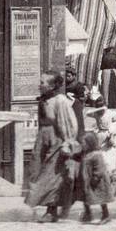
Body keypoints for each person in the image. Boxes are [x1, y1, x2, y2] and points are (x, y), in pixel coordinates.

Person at [26, 71, 79, 222]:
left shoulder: (60, 101)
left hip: (56, 139)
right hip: (43, 139)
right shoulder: (44, 100)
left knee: (52, 174)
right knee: (37, 171)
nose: (39, 85)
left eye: (42, 82)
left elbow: (68, 123)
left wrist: (68, 141)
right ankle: (48, 208)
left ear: (52, 85)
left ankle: (52, 210)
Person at [77, 131, 114, 224]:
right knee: (86, 197)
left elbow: (100, 168)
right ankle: (88, 213)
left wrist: (95, 178)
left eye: (84, 144)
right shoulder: (86, 154)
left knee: (101, 198)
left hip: (98, 181)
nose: (82, 146)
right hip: (87, 180)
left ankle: (106, 215)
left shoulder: (96, 155)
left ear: (90, 143)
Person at [99, 43, 116, 110]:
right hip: (114, 71)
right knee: (115, 87)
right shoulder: (115, 57)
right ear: (111, 50)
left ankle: (107, 102)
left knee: (105, 88)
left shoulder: (103, 57)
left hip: (106, 72)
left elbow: (101, 67)